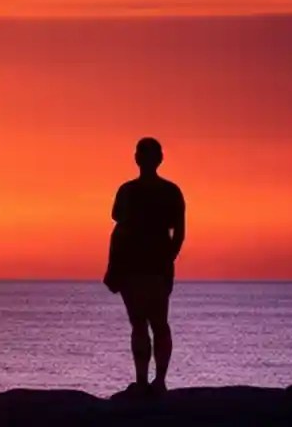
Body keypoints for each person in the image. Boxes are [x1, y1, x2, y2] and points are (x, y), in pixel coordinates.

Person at [103, 137, 185, 396]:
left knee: (152, 323)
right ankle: (147, 381)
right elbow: (119, 224)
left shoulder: (164, 191)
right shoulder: (132, 190)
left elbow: (178, 233)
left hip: (148, 266)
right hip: (137, 266)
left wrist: (166, 261)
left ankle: (154, 382)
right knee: (145, 323)